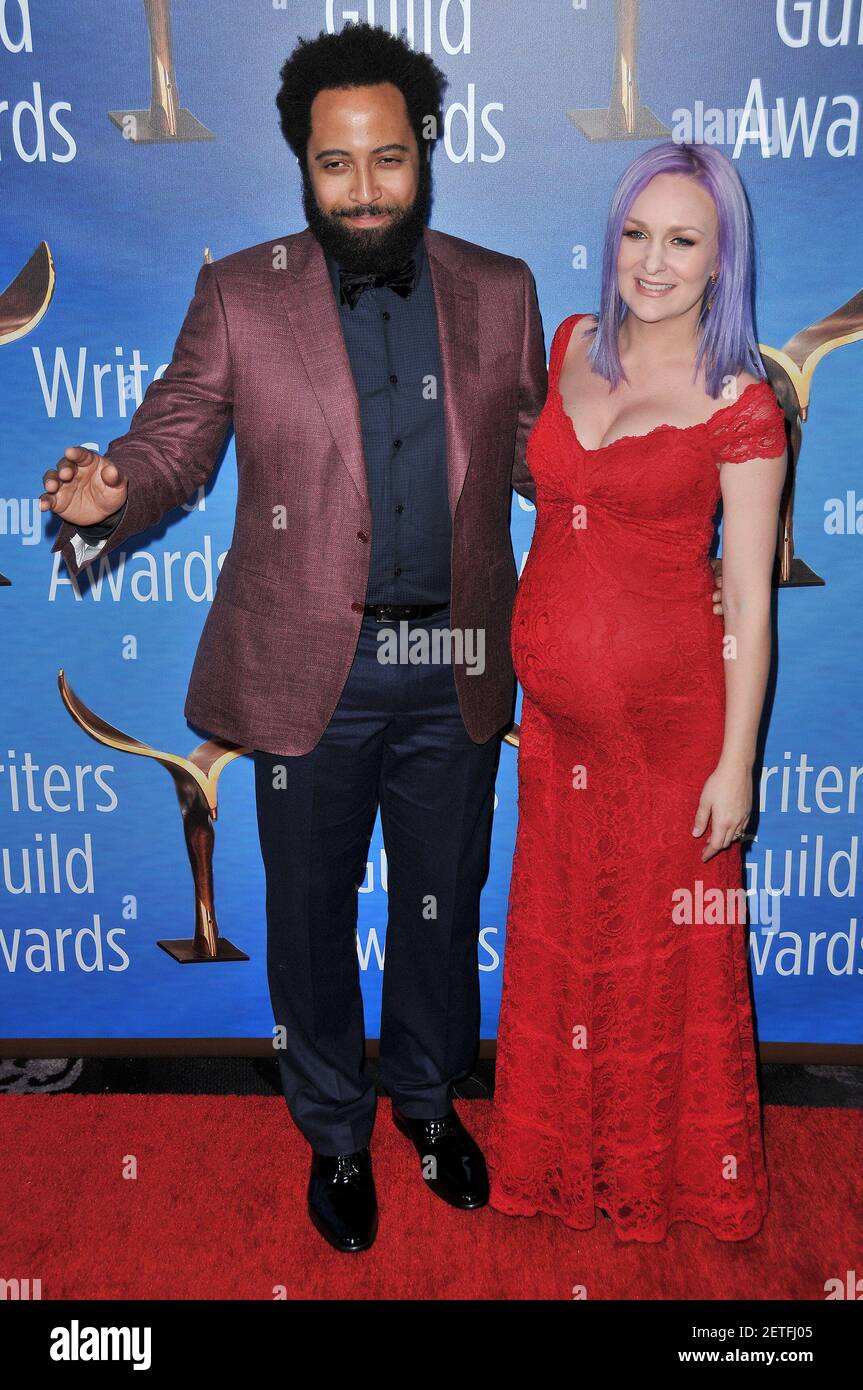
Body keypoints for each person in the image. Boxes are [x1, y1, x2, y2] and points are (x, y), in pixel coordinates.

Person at [486, 141, 787, 1243]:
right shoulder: (569, 343)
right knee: (569, 938)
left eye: (681, 241)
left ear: (721, 261)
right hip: (554, 728)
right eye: (634, 233)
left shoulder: (741, 400)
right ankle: (563, 1156)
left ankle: (662, 1177)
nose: (650, 262)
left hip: (669, 737)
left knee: (663, 955)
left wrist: (734, 763)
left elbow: (748, 602)